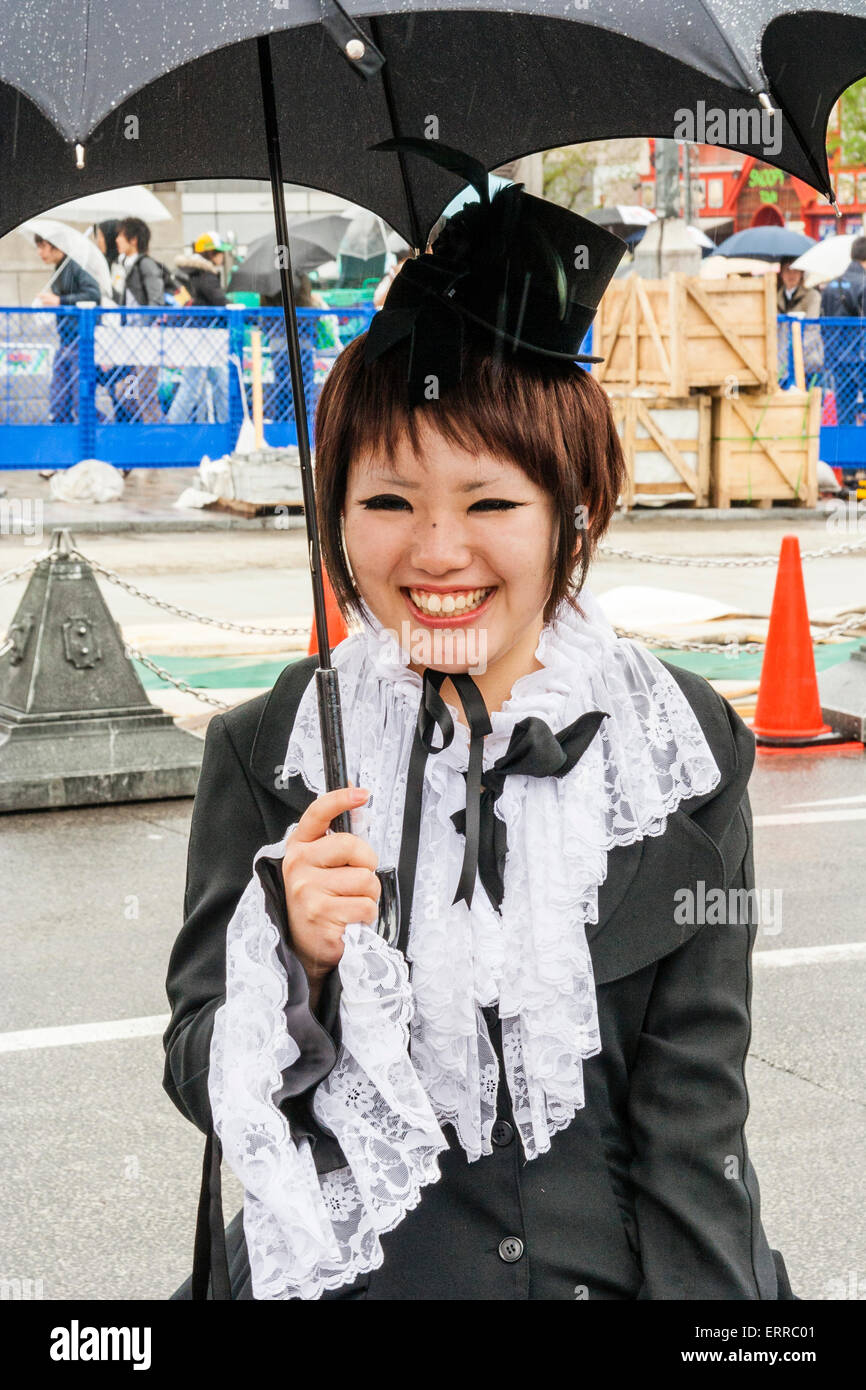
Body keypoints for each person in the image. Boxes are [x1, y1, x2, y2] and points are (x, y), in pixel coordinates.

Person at [163, 139, 798, 1302]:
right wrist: (290, 969)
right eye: (388, 501)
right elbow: (200, 1070)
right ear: (336, 516)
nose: (436, 551)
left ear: (574, 510)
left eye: (492, 501)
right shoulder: (272, 747)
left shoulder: (677, 750)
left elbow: (695, 1122)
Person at [32, 233, 100, 424]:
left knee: (82, 403)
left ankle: (103, 432)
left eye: (43, 246)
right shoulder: (59, 270)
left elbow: (93, 295)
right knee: (59, 403)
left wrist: (59, 301)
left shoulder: (75, 267)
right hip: (66, 342)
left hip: (81, 342)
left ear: (57, 246)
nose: (40, 252)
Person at [168, 233, 230, 424]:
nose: (222, 257)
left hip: (197, 335)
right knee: (194, 386)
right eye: (220, 253)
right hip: (206, 338)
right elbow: (220, 301)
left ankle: (227, 424)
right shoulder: (206, 275)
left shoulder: (187, 273)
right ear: (211, 253)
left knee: (220, 382)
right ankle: (173, 424)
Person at [114, 216, 165, 423]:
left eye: (121, 235)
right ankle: (155, 427)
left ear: (133, 239)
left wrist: (143, 330)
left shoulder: (146, 265)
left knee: (145, 393)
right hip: (131, 342)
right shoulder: (125, 266)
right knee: (124, 392)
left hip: (146, 342)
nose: (116, 239)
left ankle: (161, 433)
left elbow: (156, 301)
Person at [820, 235, 866, 426]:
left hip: (837, 357)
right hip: (861, 357)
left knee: (844, 411)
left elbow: (822, 321)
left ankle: (845, 451)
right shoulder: (864, 283)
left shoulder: (831, 285)